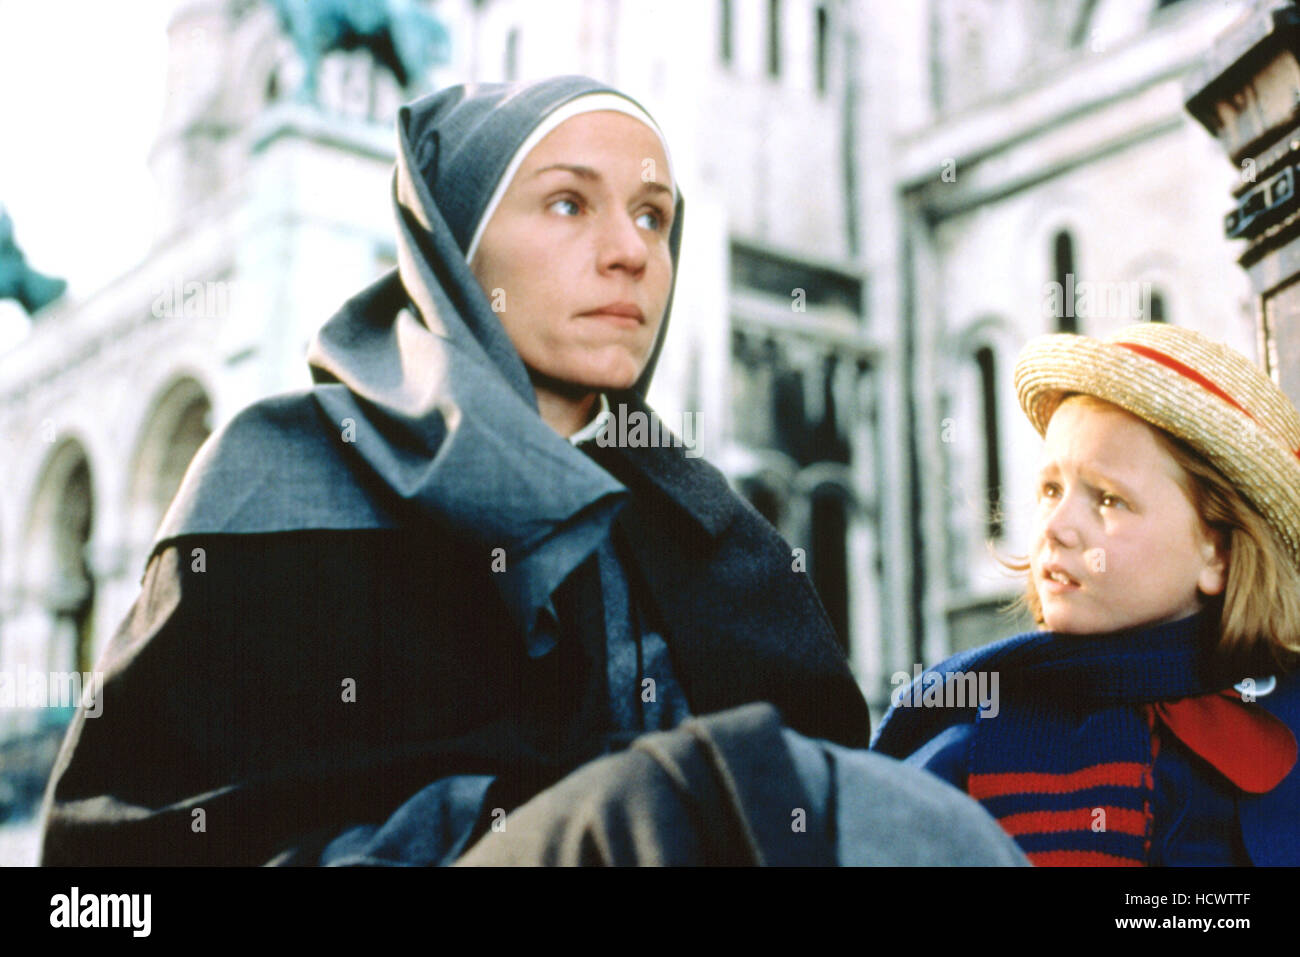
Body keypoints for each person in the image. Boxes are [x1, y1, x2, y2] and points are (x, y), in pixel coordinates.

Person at [37, 75, 872, 866]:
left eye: (654, 217)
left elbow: (836, 804)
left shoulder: (716, 529)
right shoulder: (278, 478)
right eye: (569, 203)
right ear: (457, 243)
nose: (630, 251)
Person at [872, 322, 1300, 866]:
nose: (1055, 526)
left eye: (1108, 499)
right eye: (1051, 489)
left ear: (1217, 553)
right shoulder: (966, 746)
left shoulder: (1286, 715)